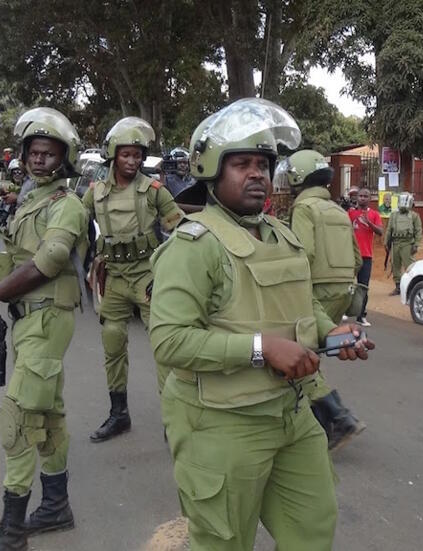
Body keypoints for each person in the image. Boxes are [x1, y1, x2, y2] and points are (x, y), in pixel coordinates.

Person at [149, 97, 374, 551]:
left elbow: (303, 305)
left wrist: (329, 331)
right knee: (224, 541)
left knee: (312, 530)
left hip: (292, 415)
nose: (257, 174)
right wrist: (261, 348)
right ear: (212, 170)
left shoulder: (281, 234)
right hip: (223, 423)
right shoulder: (195, 245)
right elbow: (170, 341)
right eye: (242, 164)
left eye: (263, 164)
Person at [0, 108, 88, 550]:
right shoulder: (29, 199)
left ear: (64, 158)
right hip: (27, 320)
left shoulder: (67, 204)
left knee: (18, 421)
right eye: (34, 152)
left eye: (49, 153)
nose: (39, 160)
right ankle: (56, 506)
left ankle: (12, 529)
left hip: (47, 318)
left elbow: (49, 261)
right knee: (49, 415)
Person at [83, 116, 183, 443]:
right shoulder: (95, 193)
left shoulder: (153, 191)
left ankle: (174, 420)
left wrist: (168, 272)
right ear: (113, 155)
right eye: (126, 154)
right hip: (114, 277)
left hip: (147, 276)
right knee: (112, 342)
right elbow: (74, 225)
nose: (132, 161)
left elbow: (180, 231)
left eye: (137, 155)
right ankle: (119, 414)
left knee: (164, 346)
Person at [279, 149, 367, 451]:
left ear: (298, 177)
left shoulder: (304, 208)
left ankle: (339, 416)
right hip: (344, 291)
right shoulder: (338, 210)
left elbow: (303, 253)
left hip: (315, 291)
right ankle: (322, 422)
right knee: (312, 353)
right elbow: (357, 257)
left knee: (299, 353)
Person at [348, 187, 383, 326]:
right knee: (347, 284)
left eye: (365, 196)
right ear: (357, 198)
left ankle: (361, 315)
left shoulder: (374, 214)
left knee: (363, 287)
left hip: (366, 256)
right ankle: (344, 310)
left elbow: (380, 231)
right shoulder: (351, 213)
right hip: (350, 255)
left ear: (370, 199)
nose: (362, 198)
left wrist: (368, 222)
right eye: (360, 196)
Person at [385, 192, 422, 296]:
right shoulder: (394, 215)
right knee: (395, 266)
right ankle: (398, 287)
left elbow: (418, 231)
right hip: (395, 243)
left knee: (410, 266)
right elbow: (389, 229)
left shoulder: (414, 216)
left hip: (407, 244)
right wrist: (386, 242)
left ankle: (413, 287)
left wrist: (416, 244)